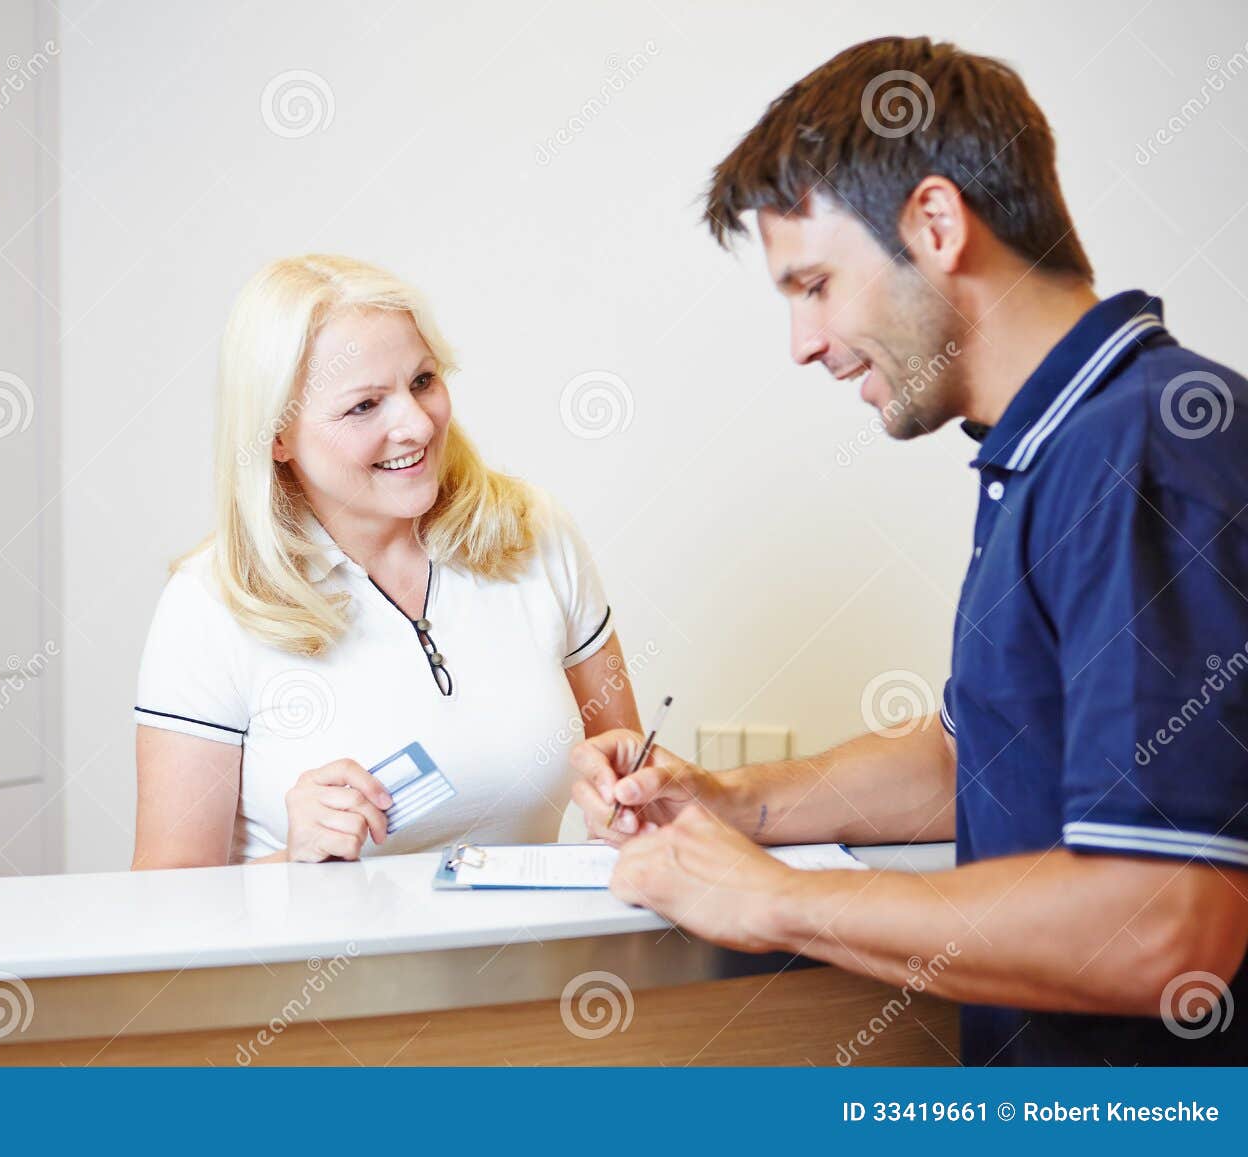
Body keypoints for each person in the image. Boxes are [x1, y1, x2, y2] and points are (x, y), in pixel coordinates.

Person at [572, 36, 1248, 1065]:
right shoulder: (1053, 445)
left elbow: (1162, 925)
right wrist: (730, 802)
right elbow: (973, 756)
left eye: (814, 284)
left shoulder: (1141, 449)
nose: (803, 342)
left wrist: (783, 903)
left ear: (935, 223)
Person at [134, 254, 639, 867]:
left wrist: (633, 809)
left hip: (535, 962)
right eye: (365, 405)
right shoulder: (208, 604)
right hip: (318, 965)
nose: (418, 425)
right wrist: (293, 860)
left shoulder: (534, 530)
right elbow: (164, 898)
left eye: (423, 381)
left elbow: (625, 769)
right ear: (277, 436)